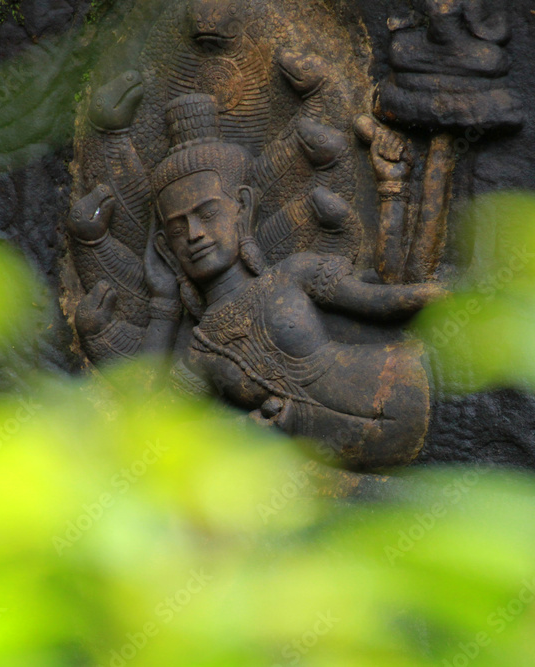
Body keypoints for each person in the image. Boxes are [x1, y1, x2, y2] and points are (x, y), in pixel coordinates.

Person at [143, 94, 444, 469]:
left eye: (207, 213)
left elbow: (379, 300)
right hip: (357, 464)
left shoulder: (291, 274)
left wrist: (436, 295)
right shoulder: (202, 352)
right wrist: (163, 304)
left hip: (419, 391)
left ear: (243, 208)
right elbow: (150, 428)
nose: (195, 234)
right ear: (166, 247)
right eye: (177, 227)